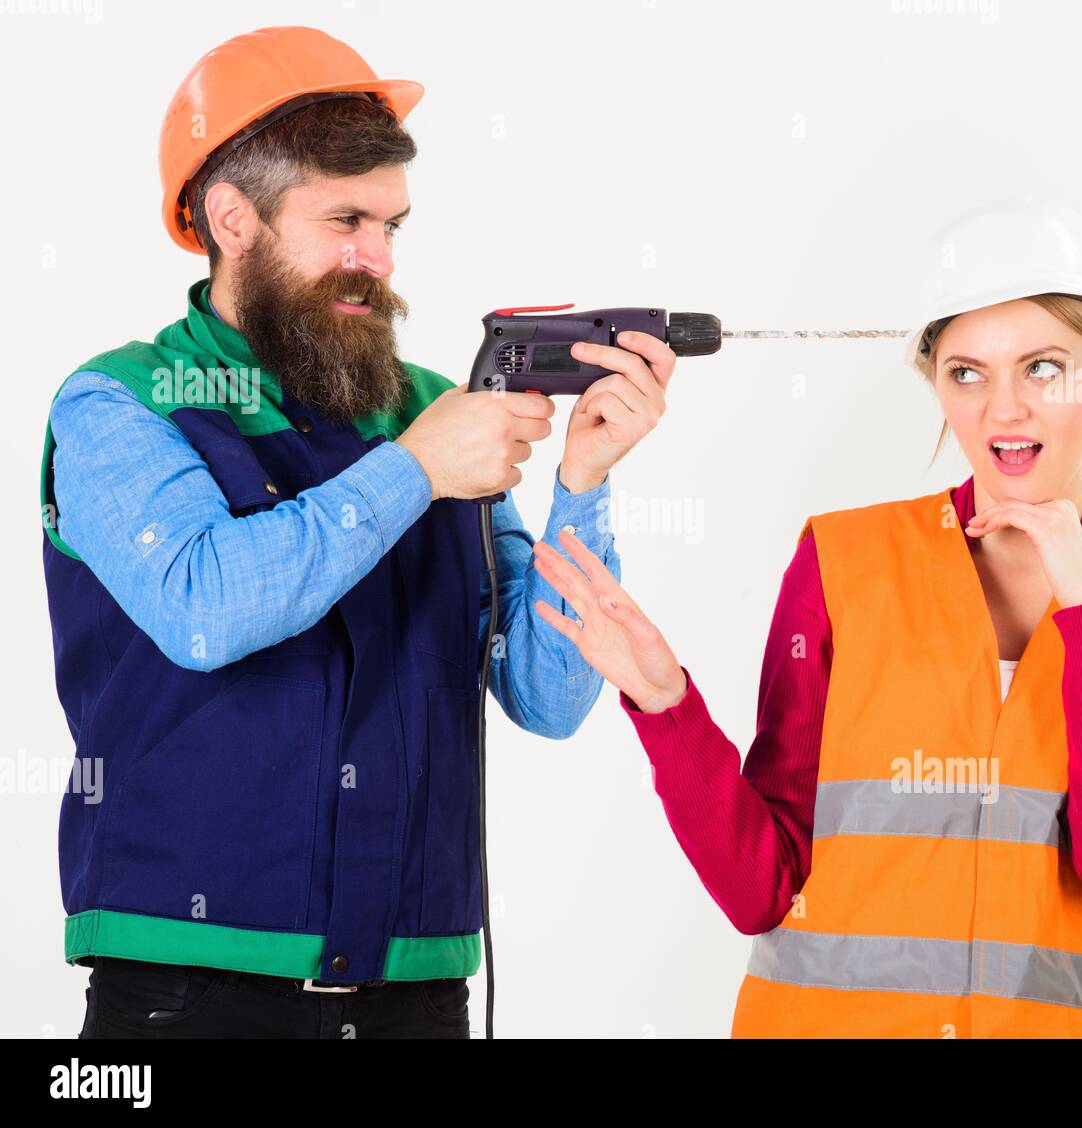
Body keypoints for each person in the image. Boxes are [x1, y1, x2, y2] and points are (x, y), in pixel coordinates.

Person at [42, 26, 675, 1039]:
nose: (376, 259)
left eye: (392, 225)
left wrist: (583, 485)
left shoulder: (427, 407)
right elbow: (206, 609)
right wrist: (419, 470)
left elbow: (546, 695)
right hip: (187, 993)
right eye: (344, 219)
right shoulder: (123, 404)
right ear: (232, 218)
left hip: (415, 992)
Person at [531, 201, 1082, 1038]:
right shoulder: (842, 561)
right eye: (967, 373)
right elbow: (761, 890)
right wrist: (665, 705)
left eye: (1043, 368)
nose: (1002, 409)